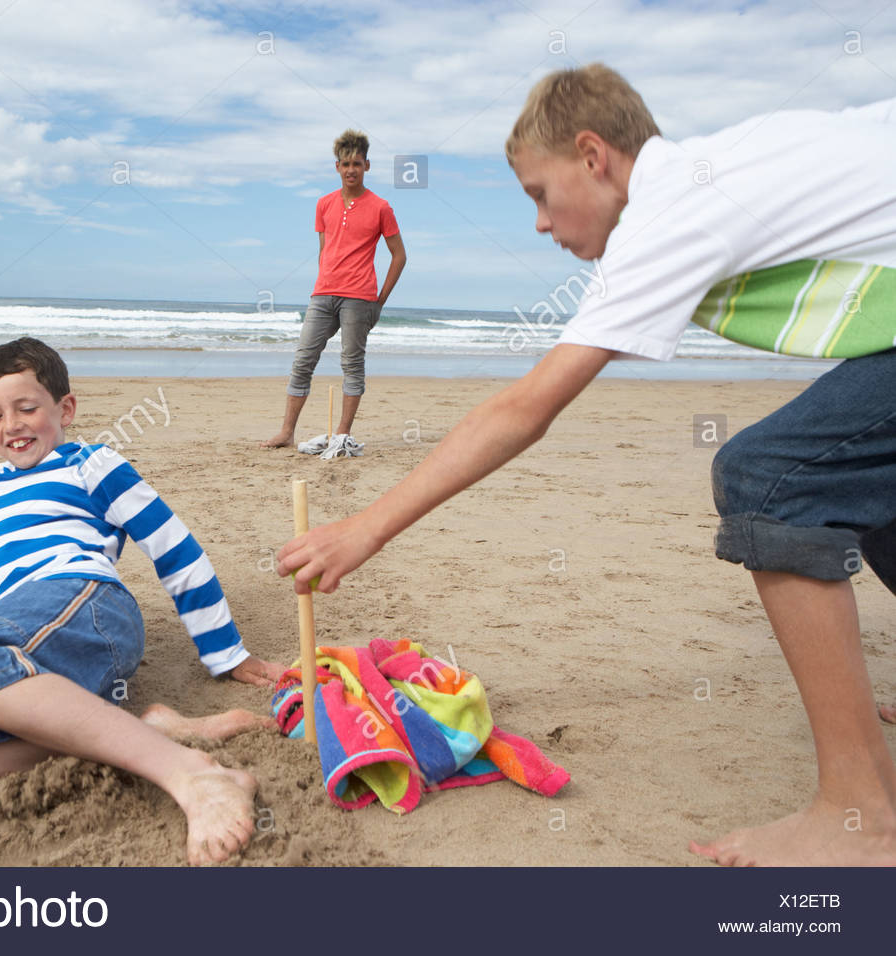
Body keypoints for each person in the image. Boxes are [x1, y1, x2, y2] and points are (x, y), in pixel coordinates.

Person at [277, 65, 896, 866]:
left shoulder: (670, 212)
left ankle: (863, 815)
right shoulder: (717, 173)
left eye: (540, 192)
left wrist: (366, 527)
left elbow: (525, 409)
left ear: (593, 156)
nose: (539, 223)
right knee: (866, 477)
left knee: (770, 480)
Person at [0, 337, 285, 865]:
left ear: (66, 408)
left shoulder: (90, 465)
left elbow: (174, 548)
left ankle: (190, 773)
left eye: (26, 407)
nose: (11, 425)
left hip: (86, 603)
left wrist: (227, 652)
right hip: (25, 618)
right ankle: (145, 730)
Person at [260, 129, 406, 457]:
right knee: (302, 360)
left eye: (356, 163)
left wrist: (379, 300)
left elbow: (400, 255)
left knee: (351, 364)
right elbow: (325, 251)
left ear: (367, 165)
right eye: (344, 163)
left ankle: (342, 434)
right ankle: (286, 431)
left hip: (359, 298)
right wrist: (323, 283)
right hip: (323, 295)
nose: (350, 169)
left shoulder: (381, 207)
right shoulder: (323, 204)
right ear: (336, 167)